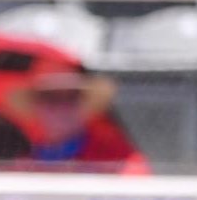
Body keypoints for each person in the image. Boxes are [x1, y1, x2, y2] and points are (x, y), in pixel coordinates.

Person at [9, 66, 150, 175]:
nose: (62, 107)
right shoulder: (24, 160)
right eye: (51, 99)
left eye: (71, 98)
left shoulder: (116, 155)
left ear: (84, 104)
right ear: (36, 106)